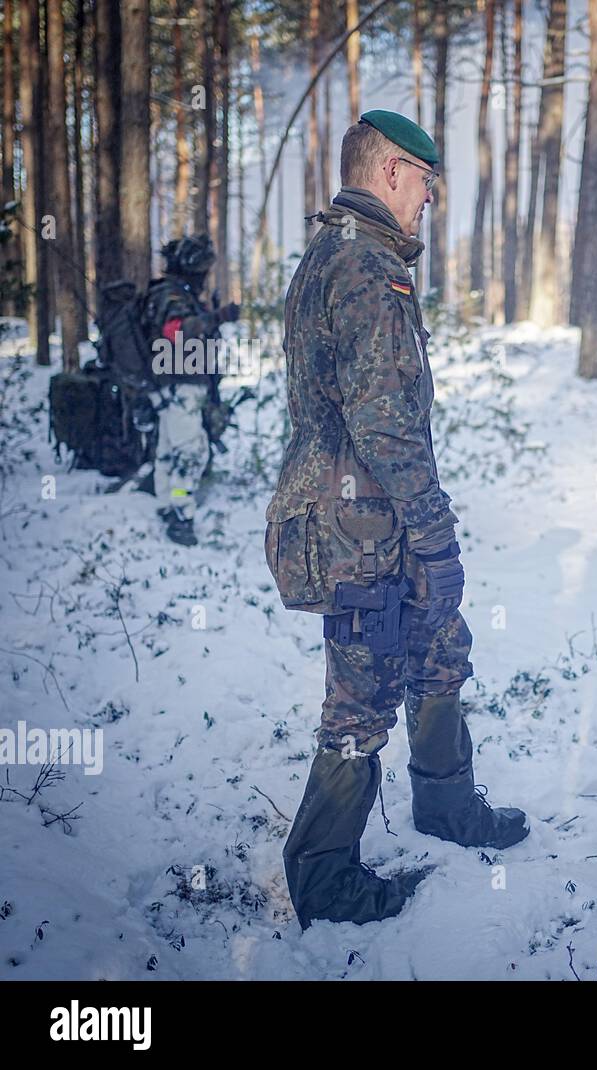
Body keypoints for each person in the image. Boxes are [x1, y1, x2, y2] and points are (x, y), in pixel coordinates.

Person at [265, 110, 528, 930]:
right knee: (363, 695)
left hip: (372, 512)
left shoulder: (345, 255)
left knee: (439, 647)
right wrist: (434, 529)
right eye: (424, 182)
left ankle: (446, 806)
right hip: (360, 524)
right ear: (388, 173)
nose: (429, 200)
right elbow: (382, 420)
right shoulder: (364, 267)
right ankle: (323, 875)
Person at [141, 234, 239, 546]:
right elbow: (177, 332)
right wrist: (217, 317)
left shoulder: (175, 293)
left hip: (176, 384)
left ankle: (166, 505)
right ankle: (181, 515)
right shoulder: (172, 296)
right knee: (190, 453)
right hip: (180, 384)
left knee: (169, 449)